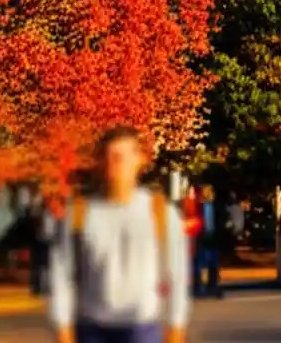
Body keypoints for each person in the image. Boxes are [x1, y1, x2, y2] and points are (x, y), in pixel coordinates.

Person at [49, 126, 191, 343]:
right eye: (109, 156)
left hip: (142, 327)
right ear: (99, 161)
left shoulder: (160, 212)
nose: (115, 164)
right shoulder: (79, 213)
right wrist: (63, 328)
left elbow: (176, 274)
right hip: (92, 327)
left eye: (121, 156)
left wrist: (176, 327)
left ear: (140, 159)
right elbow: (62, 273)